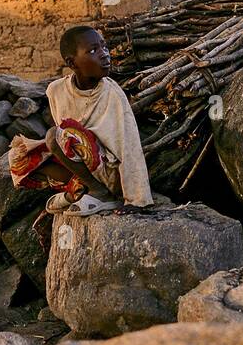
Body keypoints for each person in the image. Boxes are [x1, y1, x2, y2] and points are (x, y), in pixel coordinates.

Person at [8, 24, 153, 218]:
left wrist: (136, 200)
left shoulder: (113, 94)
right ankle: (78, 190)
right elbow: (64, 143)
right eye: (93, 50)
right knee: (20, 156)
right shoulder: (56, 90)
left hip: (109, 170)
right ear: (72, 63)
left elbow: (130, 146)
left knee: (58, 134)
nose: (104, 55)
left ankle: (98, 193)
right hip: (80, 160)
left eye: (104, 47)